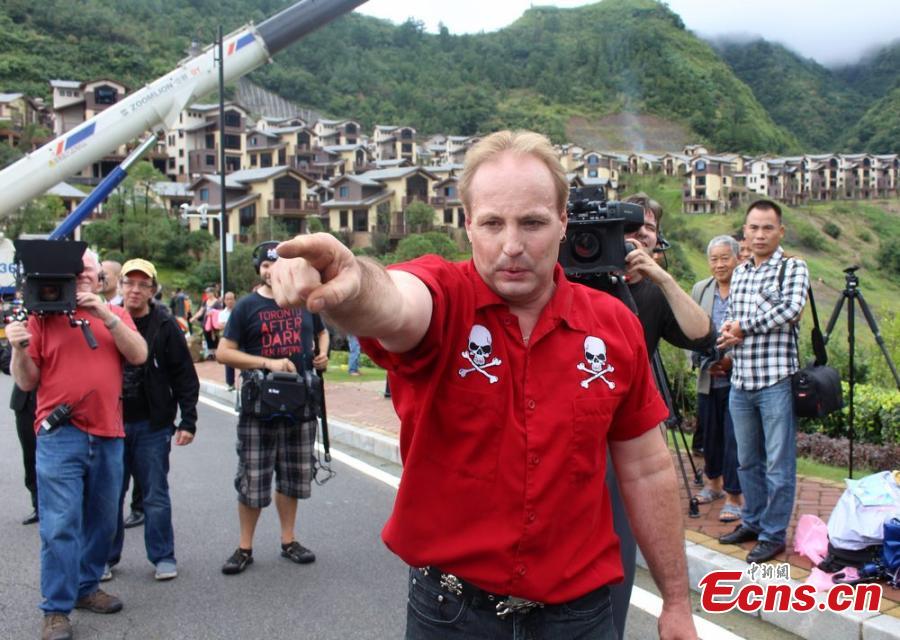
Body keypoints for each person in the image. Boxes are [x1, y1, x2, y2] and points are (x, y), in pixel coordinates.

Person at [268, 130, 697, 639]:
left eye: (533, 223)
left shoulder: (614, 325)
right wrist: (350, 280)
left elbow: (647, 469)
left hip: (579, 617)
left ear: (563, 222)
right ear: (468, 224)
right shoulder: (445, 299)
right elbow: (395, 302)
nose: (512, 247)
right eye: (493, 223)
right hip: (451, 614)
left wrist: (675, 601)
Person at [6, 248, 147, 640]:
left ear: (100, 279)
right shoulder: (41, 316)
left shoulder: (114, 316)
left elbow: (139, 354)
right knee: (60, 524)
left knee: (103, 521)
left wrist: (104, 315)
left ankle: (86, 588)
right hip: (59, 435)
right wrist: (17, 348)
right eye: (76, 272)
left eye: (89, 273)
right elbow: (26, 381)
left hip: (108, 433)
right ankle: (55, 609)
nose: (82, 278)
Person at [215, 242, 329, 575]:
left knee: (293, 476)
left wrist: (322, 354)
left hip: (300, 403)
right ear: (259, 269)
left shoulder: (306, 303)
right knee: (253, 477)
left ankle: (288, 540)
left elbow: (321, 333)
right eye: (266, 265)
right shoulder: (246, 307)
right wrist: (266, 361)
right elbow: (223, 352)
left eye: (277, 265)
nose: (271, 271)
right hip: (259, 405)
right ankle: (244, 547)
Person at [717, 199, 809, 563]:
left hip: (775, 381)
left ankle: (773, 534)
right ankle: (752, 521)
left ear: (780, 231)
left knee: (778, 464)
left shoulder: (793, 268)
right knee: (746, 461)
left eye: (767, 228)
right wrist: (728, 334)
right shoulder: (739, 272)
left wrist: (744, 327)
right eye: (753, 228)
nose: (759, 234)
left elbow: (790, 310)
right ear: (744, 231)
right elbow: (735, 316)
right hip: (741, 380)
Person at [106, 259, 199, 582]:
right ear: (119, 286)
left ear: (152, 290)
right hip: (110, 423)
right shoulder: (105, 318)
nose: (135, 290)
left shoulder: (164, 324)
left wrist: (188, 420)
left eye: (142, 284)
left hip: (152, 423)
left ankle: (162, 556)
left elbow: (184, 374)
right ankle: (104, 557)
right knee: (109, 494)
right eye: (128, 283)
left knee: (155, 493)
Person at [690, 236, 743, 523]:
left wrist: (730, 361)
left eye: (725, 258)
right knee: (710, 434)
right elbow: (689, 329)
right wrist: (704, 363)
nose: (720, 264)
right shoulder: (701, 289)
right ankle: (713, 485)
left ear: (737, 258)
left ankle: (735, 497)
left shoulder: (746, 288)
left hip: (740, 379)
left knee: (734, 439)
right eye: (715, 259)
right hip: (708, 377)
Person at [1, 338, 39, 525]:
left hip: (55, 405)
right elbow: (5, 362)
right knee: (30, 455)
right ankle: (38, 504)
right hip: (25, 404)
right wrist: (21, 352)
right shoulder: (22, 330)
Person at [215, 291, 237, 390]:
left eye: (231, 299)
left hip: (240, 339)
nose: (229, 301)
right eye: (227, 299)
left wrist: (227, 325)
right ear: (224, 301)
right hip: (228, 340)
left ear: (235, 300)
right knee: (229, 362)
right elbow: (220, 326)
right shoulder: (222, 313)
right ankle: (230, 383)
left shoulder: (239, 311)